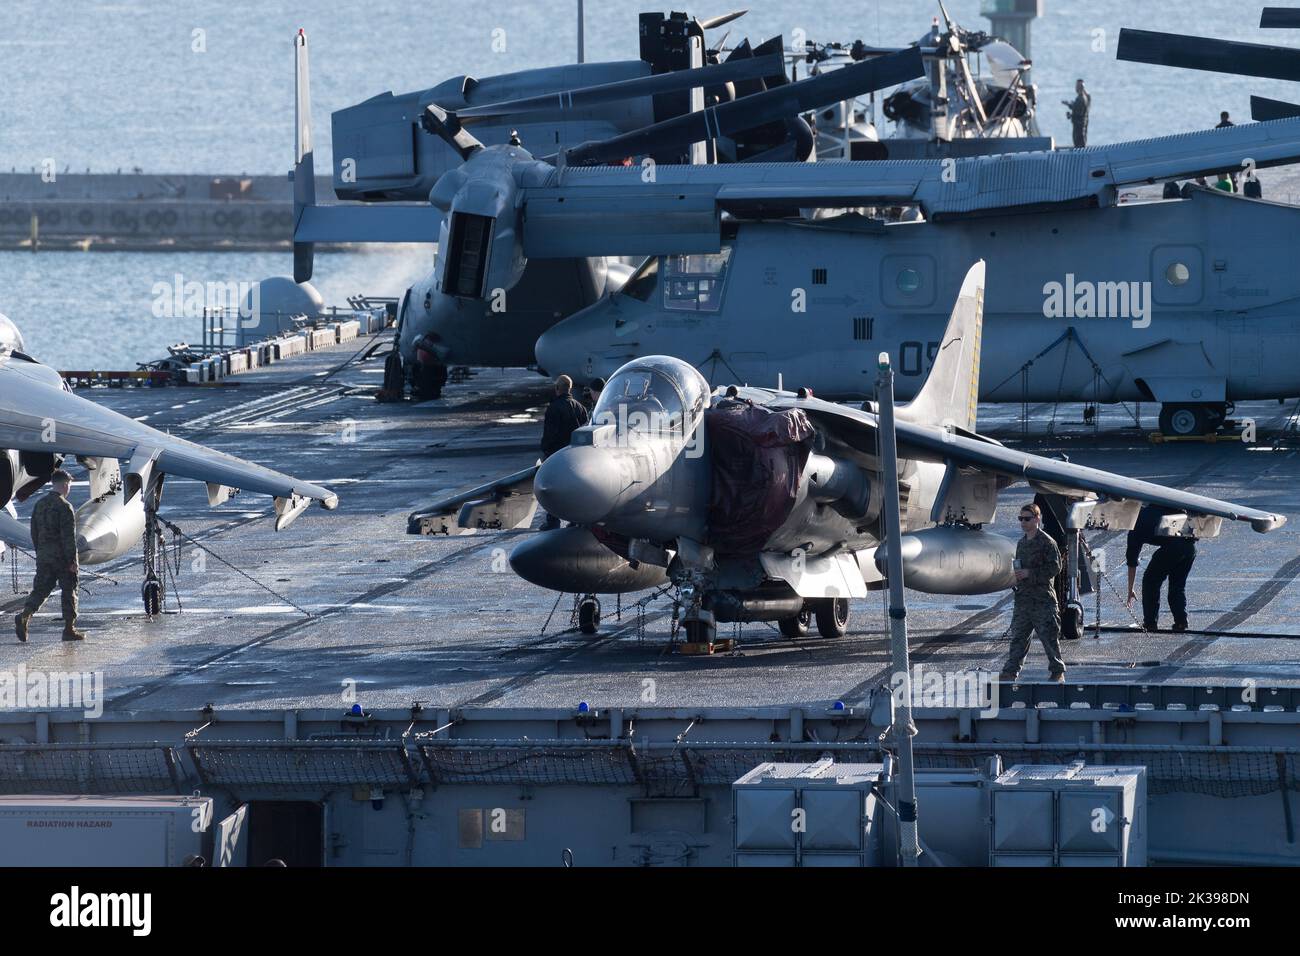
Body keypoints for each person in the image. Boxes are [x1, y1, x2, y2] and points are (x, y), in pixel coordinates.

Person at [15, 469, 85, 642]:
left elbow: (34, 531)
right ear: (64, 484)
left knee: (41, 589)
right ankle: (69, 629)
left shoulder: (40, 504)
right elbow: (68, 537)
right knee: (69, 590)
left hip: (44, 556)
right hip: (61, 557)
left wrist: (41, 551)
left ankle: (25, 615)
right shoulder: (64, 507)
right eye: (68, 484)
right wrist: (72, 561)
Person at [1000, 502, 1066, 683]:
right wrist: (1019, 575)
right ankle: (1011, 671)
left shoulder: (1047, 542)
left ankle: (1057, 671)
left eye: (1027, 519)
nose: (1023, 522)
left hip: (1042, 599)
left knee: (1049, 638)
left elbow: (1055, 568)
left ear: (1037, 519)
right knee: (1018, 637)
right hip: (1023, 599)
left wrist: (1031, 573)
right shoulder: (1021, 543)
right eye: (1021, 519)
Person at [1126, 504, 1196, 632]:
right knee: (1177, 586)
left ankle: (1150, 622)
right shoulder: (1152, 508)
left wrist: (1130, 589)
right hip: (1190, 547)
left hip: (1173, 547)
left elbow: (1132, 561)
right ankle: (1181, 621)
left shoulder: (1135, 525)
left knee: (1150, 582)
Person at [538, 375, 589, 530]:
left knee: (553, 487)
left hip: (556, 453)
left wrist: (545, 449)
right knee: (575, 489)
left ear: (557, 389)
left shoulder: (553, 408)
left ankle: (553, 521)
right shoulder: (580, 407)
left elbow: (550, 433)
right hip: (575, 455)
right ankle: (576, 520)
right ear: (570, 389)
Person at [1063, 79, 1090, 148]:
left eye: (1077, 86)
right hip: (1079, 126)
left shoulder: (1081, 98)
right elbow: (1076, 108)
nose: (1076, 88)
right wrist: (1069, 104)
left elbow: (1079, 114)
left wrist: (1071, 115)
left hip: (1079, 127)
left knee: (1079, 145)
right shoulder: (1081, 98)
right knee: (1078, 144)